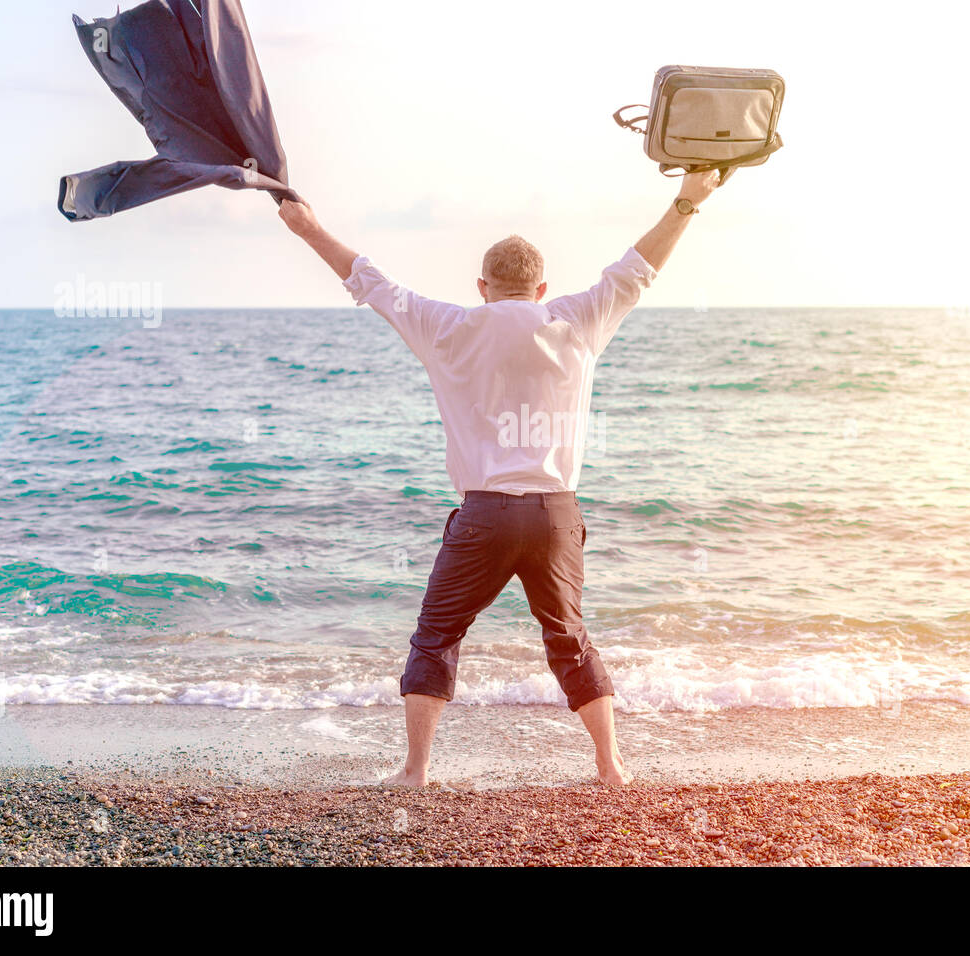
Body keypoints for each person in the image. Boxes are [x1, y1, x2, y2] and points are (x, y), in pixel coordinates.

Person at [279, 169, 722, 786]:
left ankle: (415, 771)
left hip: (484, 515)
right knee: (569, 638)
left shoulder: (449, 326)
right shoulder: (577, 319)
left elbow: (370, 282)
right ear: (541, 287)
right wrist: (688, 200)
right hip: (556, 515)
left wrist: (307, 226)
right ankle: (610, 764)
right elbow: (638, 267)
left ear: (482, 287)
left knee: (436, 637)